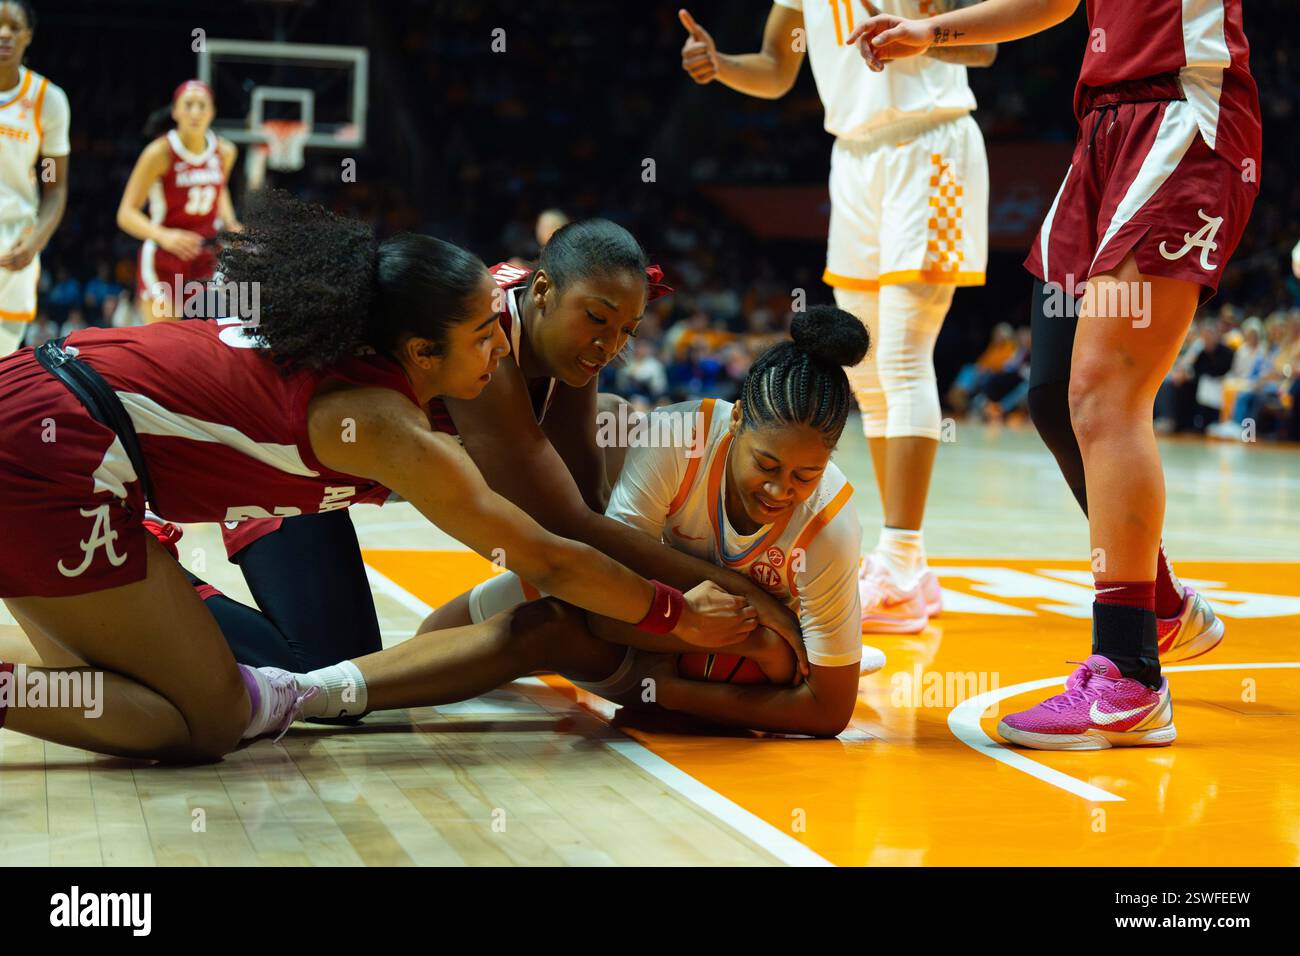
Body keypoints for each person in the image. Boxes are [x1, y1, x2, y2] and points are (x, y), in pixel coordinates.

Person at [0, 190, 754, 762]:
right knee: (218, 716)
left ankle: (118, 618)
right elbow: (552, 547)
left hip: (58, 419)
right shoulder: (395, 422)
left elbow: (570, 509)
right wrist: (676, 613)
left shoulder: (428, 337)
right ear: (423, 352)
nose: (498, 355)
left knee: (159, 681)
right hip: (67, 451)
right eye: (484, 337)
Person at [850, 0, 1259, 748]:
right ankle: (1159, 604)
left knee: (1106, 400)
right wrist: (931, 33)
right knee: (1051, 394)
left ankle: (1130, 675)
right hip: (1103, 131)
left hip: (1181, 113)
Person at [170, 219, 805, 690]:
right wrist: (742, 594)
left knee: (353, 671)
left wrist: (695, 590)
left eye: (627, 332)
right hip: (279, 468)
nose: (610, 345)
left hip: (329, 480)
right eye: (598, 319)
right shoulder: (486, 334)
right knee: (324, 675)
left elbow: (588, 511)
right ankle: (158, 594)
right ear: (545, 291)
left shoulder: (562, 355)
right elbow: (564, 529)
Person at [290, 306, 877, 738]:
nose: (781, 490)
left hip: (694, 656)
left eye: (805, 477)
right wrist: (715, 618)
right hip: (640, 611)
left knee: (542, 630)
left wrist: (678, 695)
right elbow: (603, 598)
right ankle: (315, 688)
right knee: (436, 634)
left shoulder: (830, 526)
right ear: (738, 421)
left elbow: (827, 710)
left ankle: (302, 696)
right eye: (766, 465)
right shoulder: (681, 433)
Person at [678, 1, 995, 634]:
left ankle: (901, 563)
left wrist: (922, 40)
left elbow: (983, 46)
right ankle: (911, 567)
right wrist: (722, 65)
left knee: (904, 358)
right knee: (869, 370)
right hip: (854, 157)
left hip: (930, 144)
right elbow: (774, 68)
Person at [116, 79, 241, 322]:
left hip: (207, 255)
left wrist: (231, 222)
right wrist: (164, 235)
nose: (195, 112)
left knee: (208, 344)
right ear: (175, 111)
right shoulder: (159, 153)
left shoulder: (226, 151)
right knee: (162, 346)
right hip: (165, 256)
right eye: (188, 105)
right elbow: (125, 214)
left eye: (202, 105)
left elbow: (219, 188)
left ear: (212, 112)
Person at [0, 0, 70, 356]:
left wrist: (35, 242)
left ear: (28, 35)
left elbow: (55, 187)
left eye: (14, 27)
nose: (4, 34)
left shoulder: (48, 100)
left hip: (16, 238)